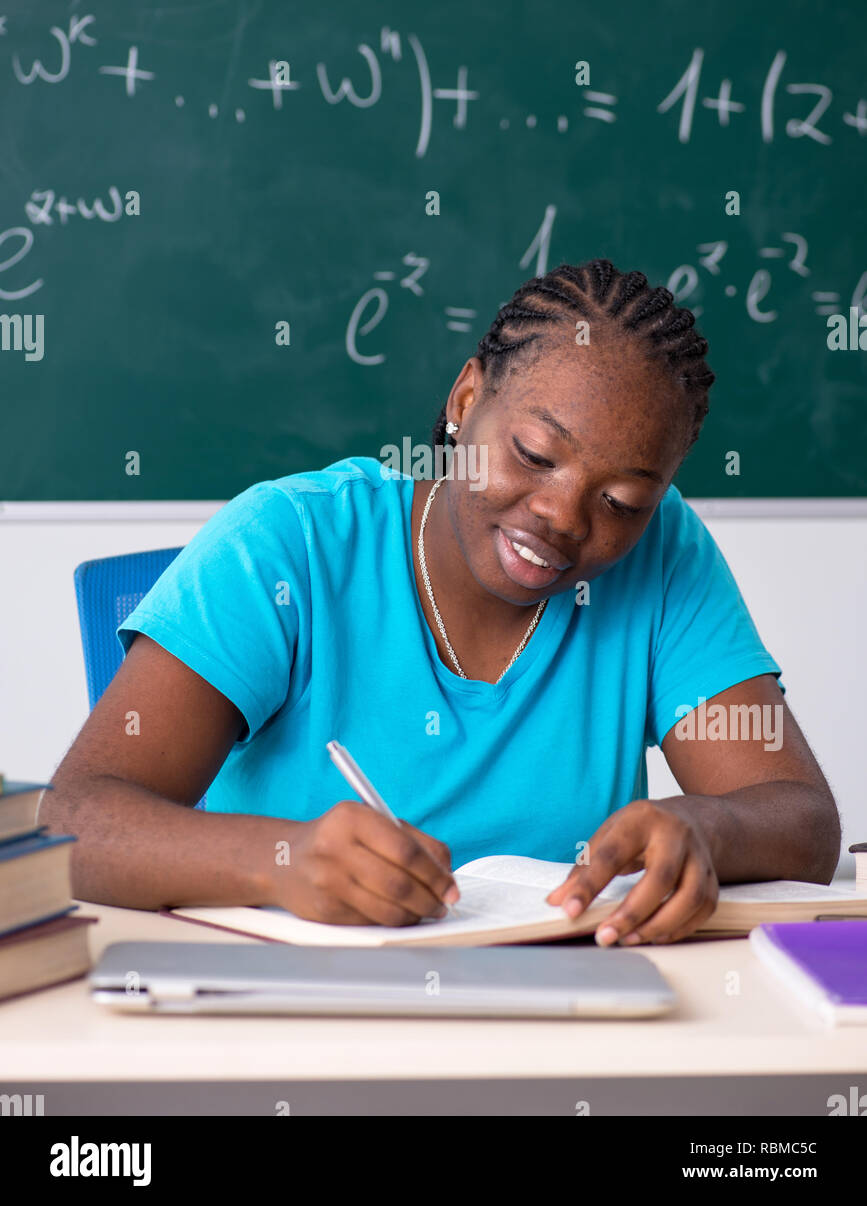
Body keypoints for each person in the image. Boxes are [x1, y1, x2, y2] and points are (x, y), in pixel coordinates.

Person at [41, 259, 841, 946]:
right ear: (464, 400)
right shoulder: (287, 543)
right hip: (299, 1012)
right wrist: (279, 861)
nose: (563, 517)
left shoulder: (664, 554)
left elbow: (800, 819)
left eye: (624, 501)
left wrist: (704, 828)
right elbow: (75, 821)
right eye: (532, 455)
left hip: (563, 1015)